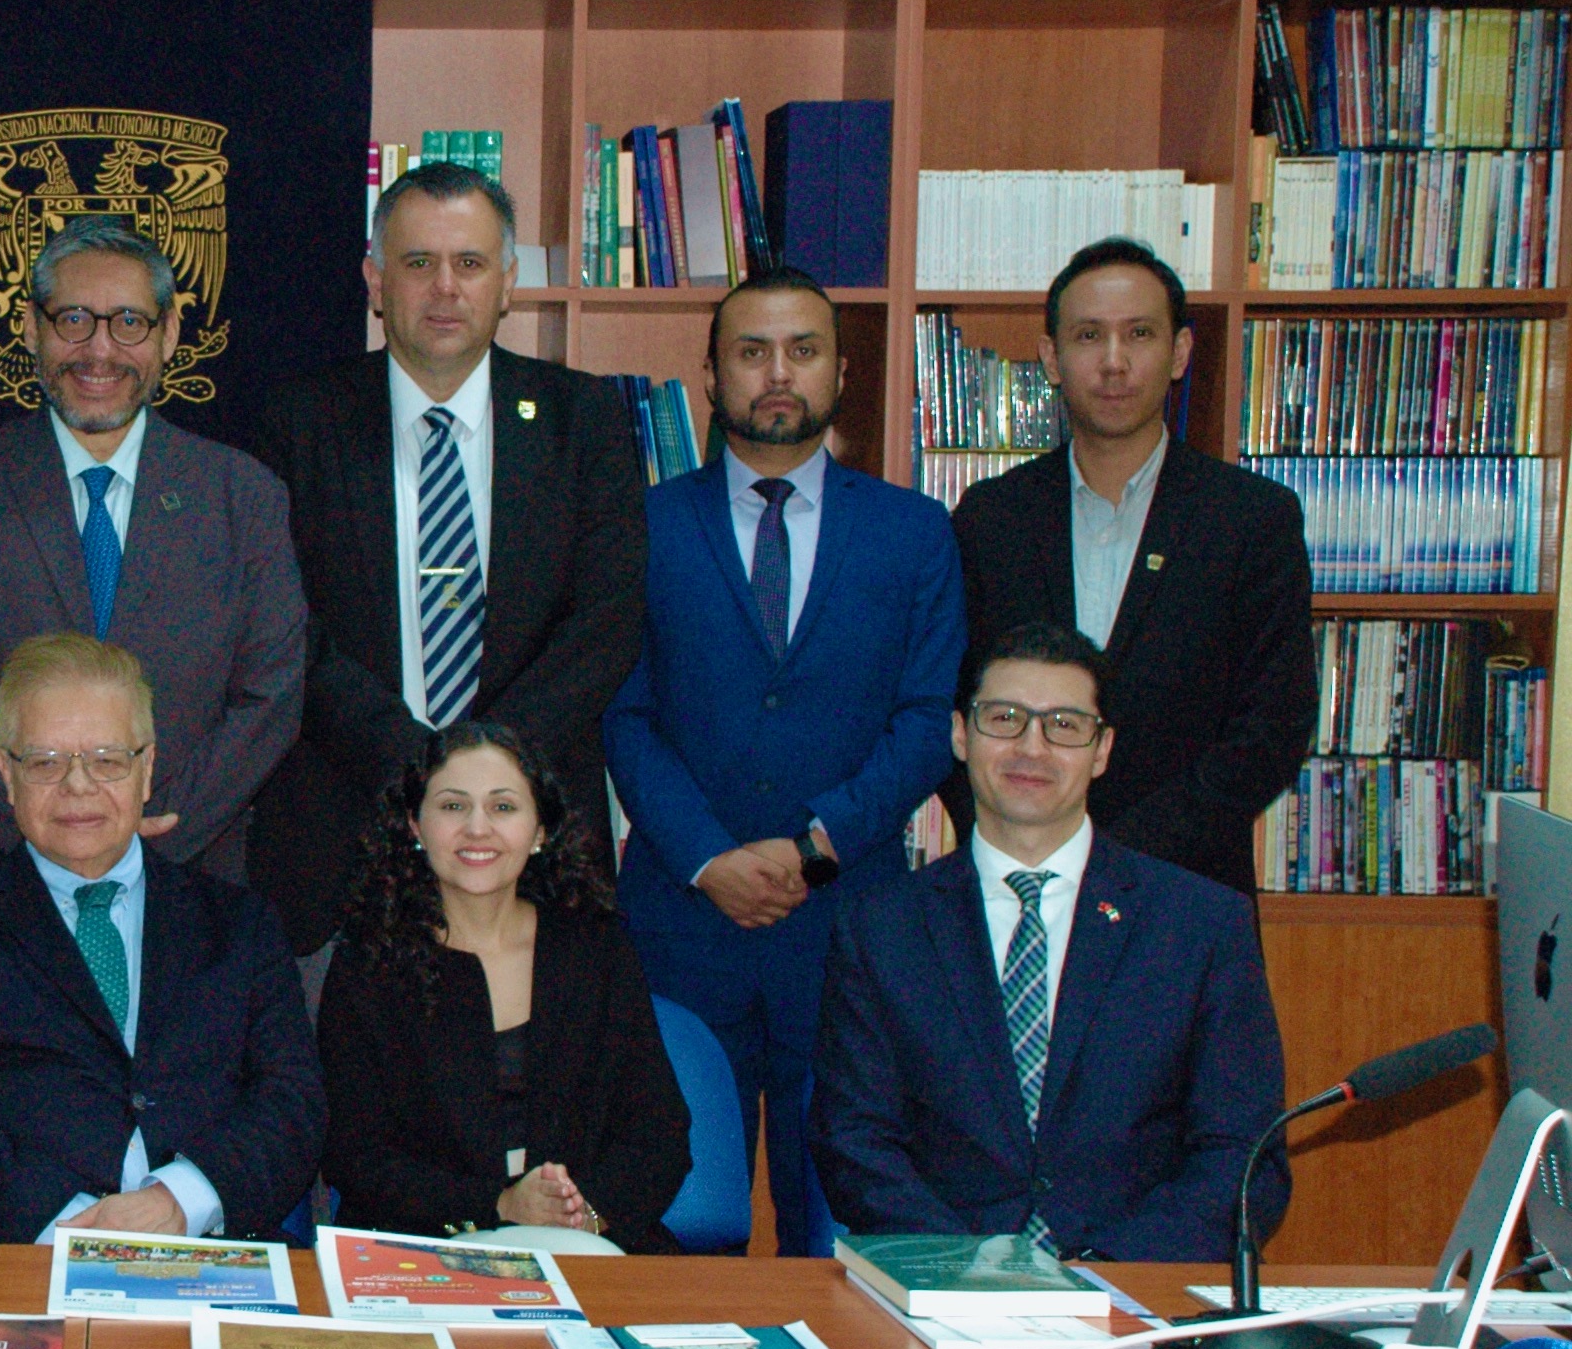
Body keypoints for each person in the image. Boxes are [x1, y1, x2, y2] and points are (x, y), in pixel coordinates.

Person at [603, 268, 963, 1257]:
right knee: (678, 1219)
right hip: (680, 921)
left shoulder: (912, 530)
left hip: (849, 930)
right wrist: (707, 856)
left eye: (801, 349)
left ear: (840, 369)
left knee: (841, 1229)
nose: (776, 373)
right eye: (749, 351)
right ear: (709, 376)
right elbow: (621, 714)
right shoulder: (639, 523)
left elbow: (929, 719)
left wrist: (815, 846)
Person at [254, 163, 646, 957]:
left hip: (537, 844)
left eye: (469, 265)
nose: (444, 289)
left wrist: (480, 775)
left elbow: (606, 619)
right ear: (374, 280)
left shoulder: (584, 419)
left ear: (506, 283)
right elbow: (281, 622)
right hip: (344, 825)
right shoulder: (297, 419)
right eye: (417, 263)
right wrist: (412, 762)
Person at [813, 622, 1288, 1259]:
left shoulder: (1200, 926)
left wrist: (1107, 1276)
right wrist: (970, 1271)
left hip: (1138, 1299)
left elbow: (1244, 1154)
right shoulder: (880, 927)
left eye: (1064, 724)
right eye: (1004, 718)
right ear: (960, 735)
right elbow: (854, 1142)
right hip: (938, 1296)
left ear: (1102, 750)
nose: (1031, 747)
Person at [0, 216, 306, 891]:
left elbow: (272, 693)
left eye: (129, 323)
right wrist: (42, 825)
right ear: (31, 326)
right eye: (74, 319)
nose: (99, 350)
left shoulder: (244, 498)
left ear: (170, 333)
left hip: (187, 873)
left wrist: (153, 832)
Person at [0, 632, 324, 1244]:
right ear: (6, 773)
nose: (78, 787)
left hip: (213, 1255)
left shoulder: (241, 927)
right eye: (46, 762)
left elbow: (290, 1100)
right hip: (17, 1255)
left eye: (107, 759)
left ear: (147, 769)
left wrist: (183, 1201)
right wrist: (70, 1225)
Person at [949, 238, 1314, 896]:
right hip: (1014, 886)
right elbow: (952, 706)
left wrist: (1111, 857)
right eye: (1089, 336)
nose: (1113, 363)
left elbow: (1274, 726)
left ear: (1178, 353)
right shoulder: (990, 517)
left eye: (1139, 334)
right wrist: (1024, 845)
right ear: (1052, 359)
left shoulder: (1251, 519)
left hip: (1184, 893)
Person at [319, 722, 689, 1249]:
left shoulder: (595, 949)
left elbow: (659, 1134)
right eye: (452, 807)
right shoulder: (369, 964)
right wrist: (498, 1207)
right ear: (414, 826)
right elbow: (356, 1157)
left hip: (594, 1243)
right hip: (421, 1251)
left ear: (540, 830)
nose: (477, 828)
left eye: (503, 807)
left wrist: (580, 1215)